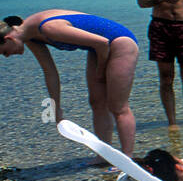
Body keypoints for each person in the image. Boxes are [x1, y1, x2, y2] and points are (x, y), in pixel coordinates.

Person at [1, 10, 138, 154]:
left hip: (119, 41)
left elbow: (102, 43)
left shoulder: (48, 28)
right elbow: (50, 72)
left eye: (4, 52)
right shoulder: (29, 36)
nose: (7, 56)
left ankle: (127, 157)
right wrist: (56, 107)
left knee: (118, 106)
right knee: (96, 102)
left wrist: (100, 70)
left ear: (8, 39)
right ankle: (104, 156)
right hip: (97, 49)